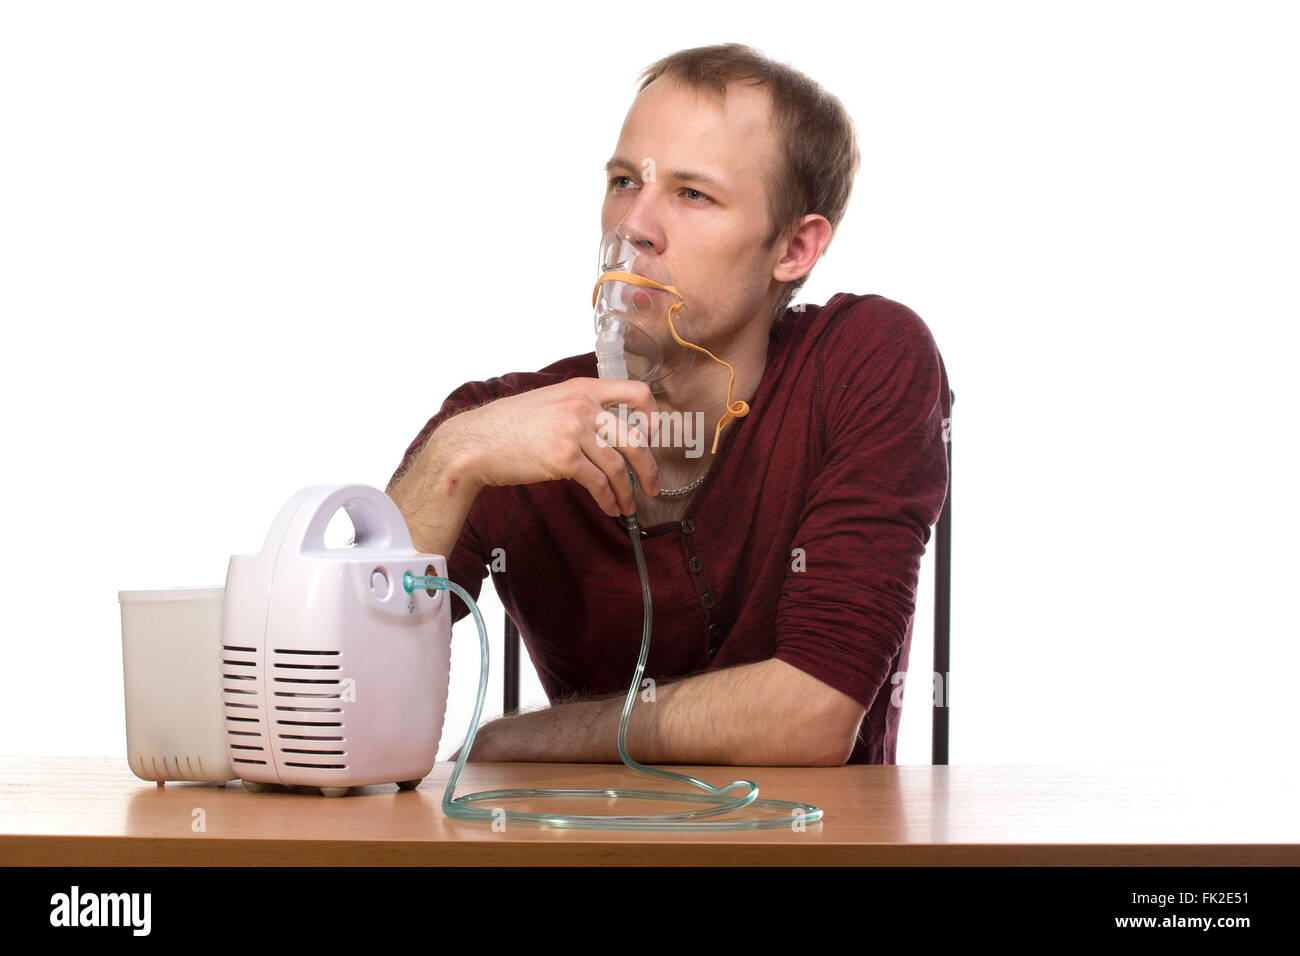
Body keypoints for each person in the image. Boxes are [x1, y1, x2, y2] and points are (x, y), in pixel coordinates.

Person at [386, 43, 952, 766]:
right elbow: (332, 692)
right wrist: (450, 461)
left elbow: (810, 715)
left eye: (692, 194)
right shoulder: (508, 425)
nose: (632, 226)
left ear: (794, 248)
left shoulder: (862, 360)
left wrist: (517, 739)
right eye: (625, 181)